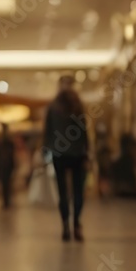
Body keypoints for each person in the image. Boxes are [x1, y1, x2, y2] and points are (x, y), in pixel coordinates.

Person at [43, 75, 89, 241]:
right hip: (77, 153)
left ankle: (66, 225)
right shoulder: (77, 105)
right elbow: (83, 132)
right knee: (78, 191)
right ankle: (76, 223)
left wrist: (46, 152)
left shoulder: (53, 107)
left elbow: (47, 132)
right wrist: (87, 152)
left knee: (63, 191)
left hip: (59, 153)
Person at [0, 123, 17, 209]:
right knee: (4, 184)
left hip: (7, 166)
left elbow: (12, 155)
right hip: (1, 166)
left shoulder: (8, 142)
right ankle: (5, 201)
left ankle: (7, 201)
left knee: (7, 184)